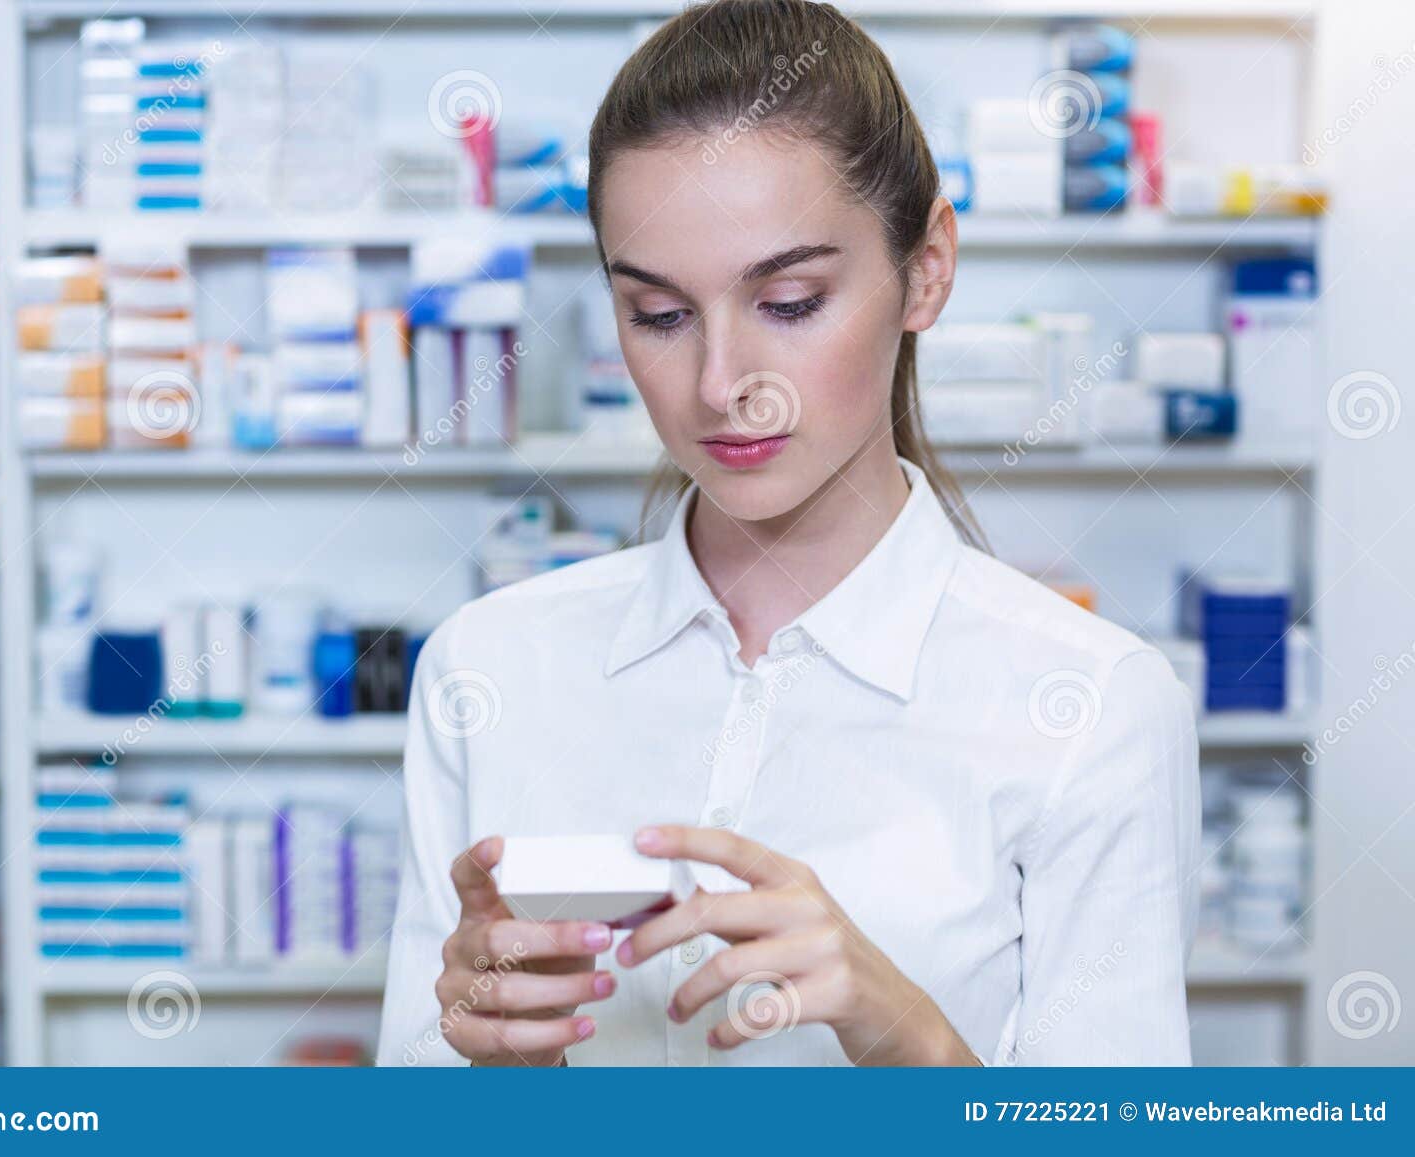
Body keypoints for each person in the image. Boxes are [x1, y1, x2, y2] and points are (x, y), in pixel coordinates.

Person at [376, 0, 1199, 1067]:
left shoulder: (1092, 711)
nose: (722, 386)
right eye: (660, 315)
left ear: (927, 269)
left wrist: (905, 1033)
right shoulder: (485, 669)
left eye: (792, 300)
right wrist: (493, 1068)